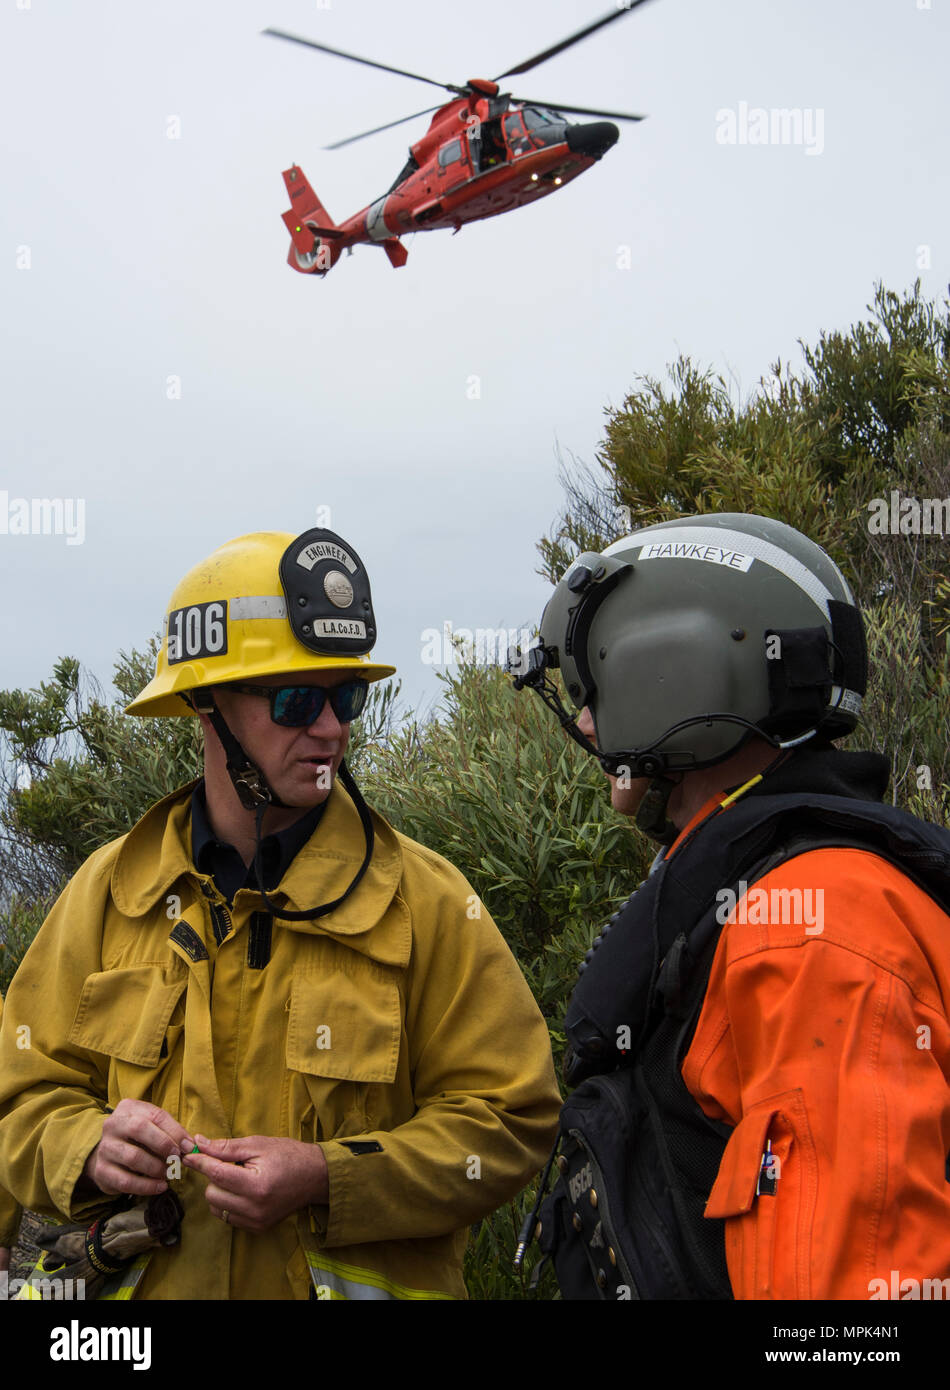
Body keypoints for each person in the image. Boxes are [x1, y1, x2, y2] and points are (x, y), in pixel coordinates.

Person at [0, 527, 560, 1300]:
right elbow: (20, 1099)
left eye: (346, 697)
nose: (331, 729)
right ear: (206, 708)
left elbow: (510, 1119)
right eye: (298, 700)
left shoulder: (426, 903)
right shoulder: (109, 895)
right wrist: (86, 1146)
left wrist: (328, 1179)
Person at [512, 511, 950, 1300]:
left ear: (680, 668)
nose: (584, 720)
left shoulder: (808, 925)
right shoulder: (768, 889)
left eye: (597, 686)